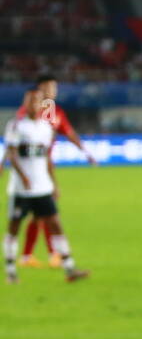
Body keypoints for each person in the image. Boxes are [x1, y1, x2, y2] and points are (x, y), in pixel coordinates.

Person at [5, 90, 90, 284]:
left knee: (55, 224)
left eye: (36, 102)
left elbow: (46, 159)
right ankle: (10, 270)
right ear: (25, 104)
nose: (32, 105)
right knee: (14, 227)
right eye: (29, 101)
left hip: (42, 187)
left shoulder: (46, 128)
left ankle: (69, 269)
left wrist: (53, 184)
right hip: (21, 190)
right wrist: (24, 177)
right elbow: (11, 154)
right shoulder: (16, 126)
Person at [20, 74, 98, 270]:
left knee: (41, 213)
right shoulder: (29, 113)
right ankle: (50, 254)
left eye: (54, 88)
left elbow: (69, 133)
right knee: (47, 212)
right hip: (32, 168)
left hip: (44, 166)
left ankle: (29, 255)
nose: (52, 91)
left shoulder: (55, 112)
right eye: (47, 88)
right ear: (39, 90)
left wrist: (86, 152)